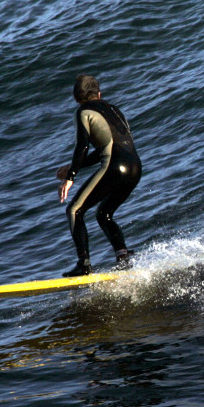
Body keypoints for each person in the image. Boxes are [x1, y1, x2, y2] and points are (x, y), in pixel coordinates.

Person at [56, 75, 142, 277]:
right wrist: (71, 167)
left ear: (78, 98)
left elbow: (83, 146)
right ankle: (122, 256)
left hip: (115, 166)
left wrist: (71, 176)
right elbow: (109, 147)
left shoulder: (83, 112)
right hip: (135, 167)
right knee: (104, 214)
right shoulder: (114, 110)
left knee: (74, 210)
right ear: (99, 94)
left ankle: (84, 265)